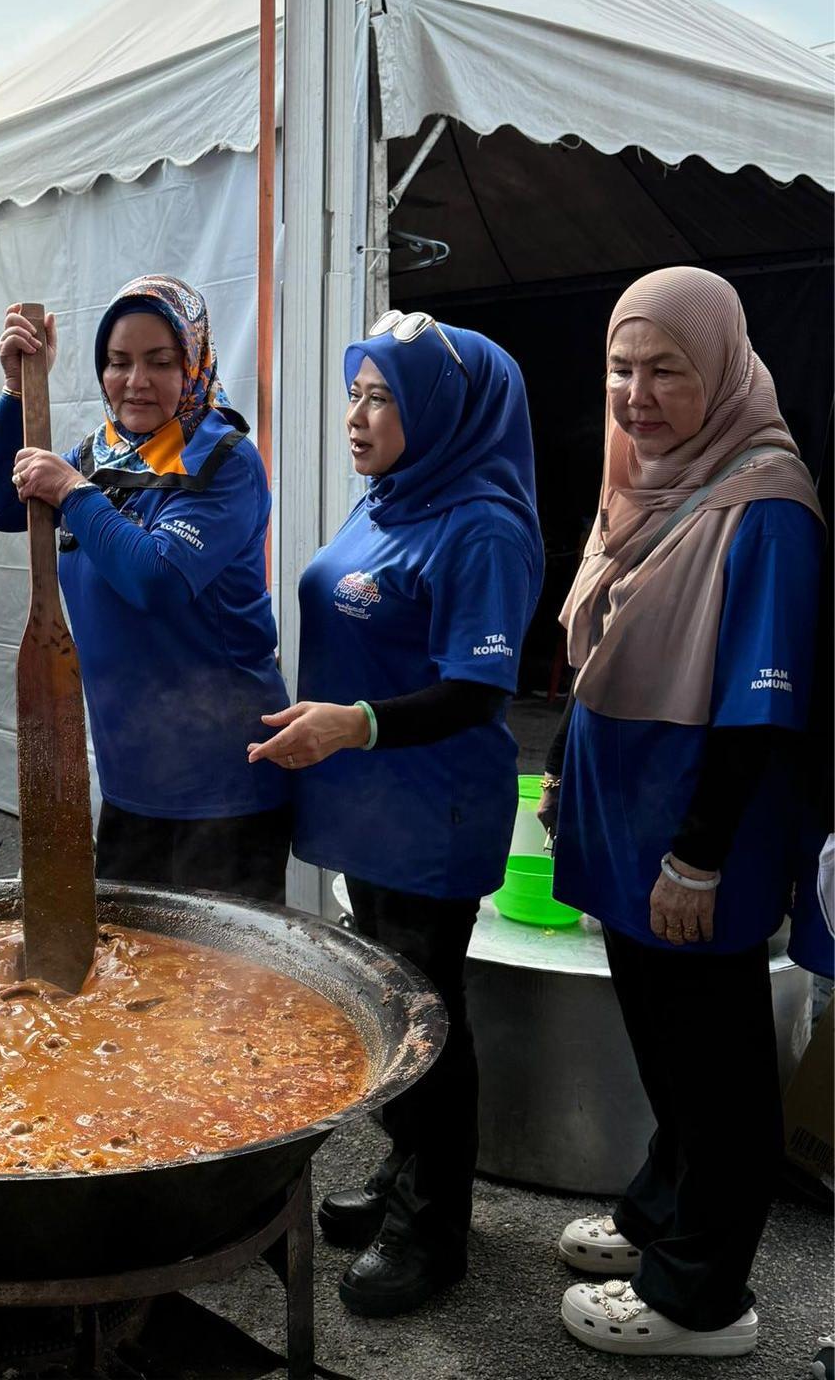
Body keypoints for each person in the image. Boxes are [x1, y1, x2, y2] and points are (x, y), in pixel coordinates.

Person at [540, 267, 823, 1359]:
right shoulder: (646, 480)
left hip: (698, 833)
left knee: (718, 1063)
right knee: (663, 1042)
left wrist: (700, 859)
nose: (637, 393)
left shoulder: (766, 507)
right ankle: (660, 1215)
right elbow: (602, 643)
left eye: (668, 369)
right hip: (629, 819)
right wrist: (570, 772)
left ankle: (705, 1294)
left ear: (726, 369)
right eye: (621, 366)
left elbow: (761, 711)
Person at [249, 311, 542, 1316]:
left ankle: (436, 1229)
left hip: (431, 811)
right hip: (369, 807)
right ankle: (408, 1172)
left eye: (384, 397)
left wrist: (353, 724)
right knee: (388, 1002)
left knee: (428, 1020)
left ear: (442, 413)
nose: (357, 415)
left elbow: (475, 692)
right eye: (358, 390)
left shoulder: (484, 524)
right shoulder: (388, 499)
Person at [0, 276, 290, 899]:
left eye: (160, 361)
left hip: (223, 786)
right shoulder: (101, 454)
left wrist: (72, 493)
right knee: (129, 980)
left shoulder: (224, 462)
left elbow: (157, 579)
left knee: (220, 990)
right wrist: (16, 393)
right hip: (131, 780)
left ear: (194, 363)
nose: (135, 381)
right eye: (119, 362)